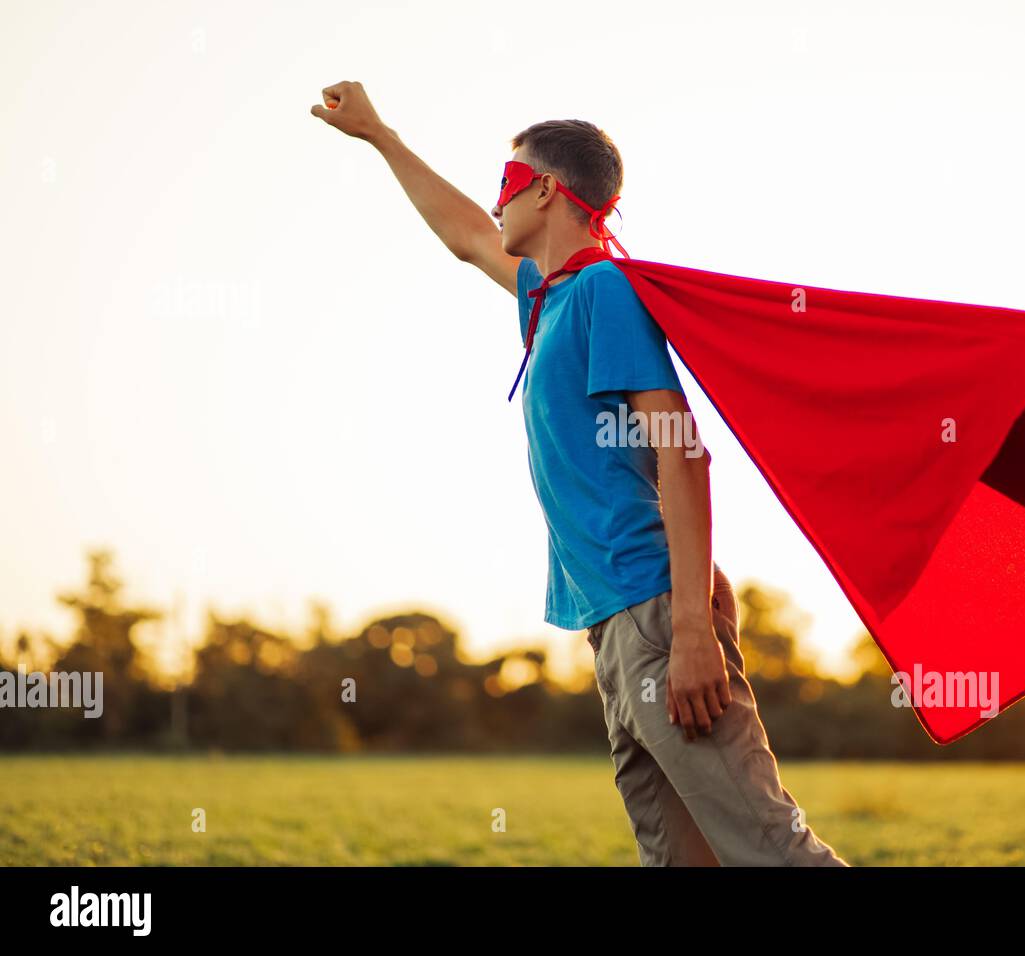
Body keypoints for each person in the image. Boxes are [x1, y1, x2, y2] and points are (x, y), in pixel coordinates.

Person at [311, 81, 848, 866]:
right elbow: (466, 236)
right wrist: (381, 136)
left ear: (548, 191)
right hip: (614, 626)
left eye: (505, 181)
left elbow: (682, 446)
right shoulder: (551, 299)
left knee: (773, 852)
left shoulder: (602, 289)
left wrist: (693, 628)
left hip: (659, 613)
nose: (495, 203)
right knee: (679, 860)